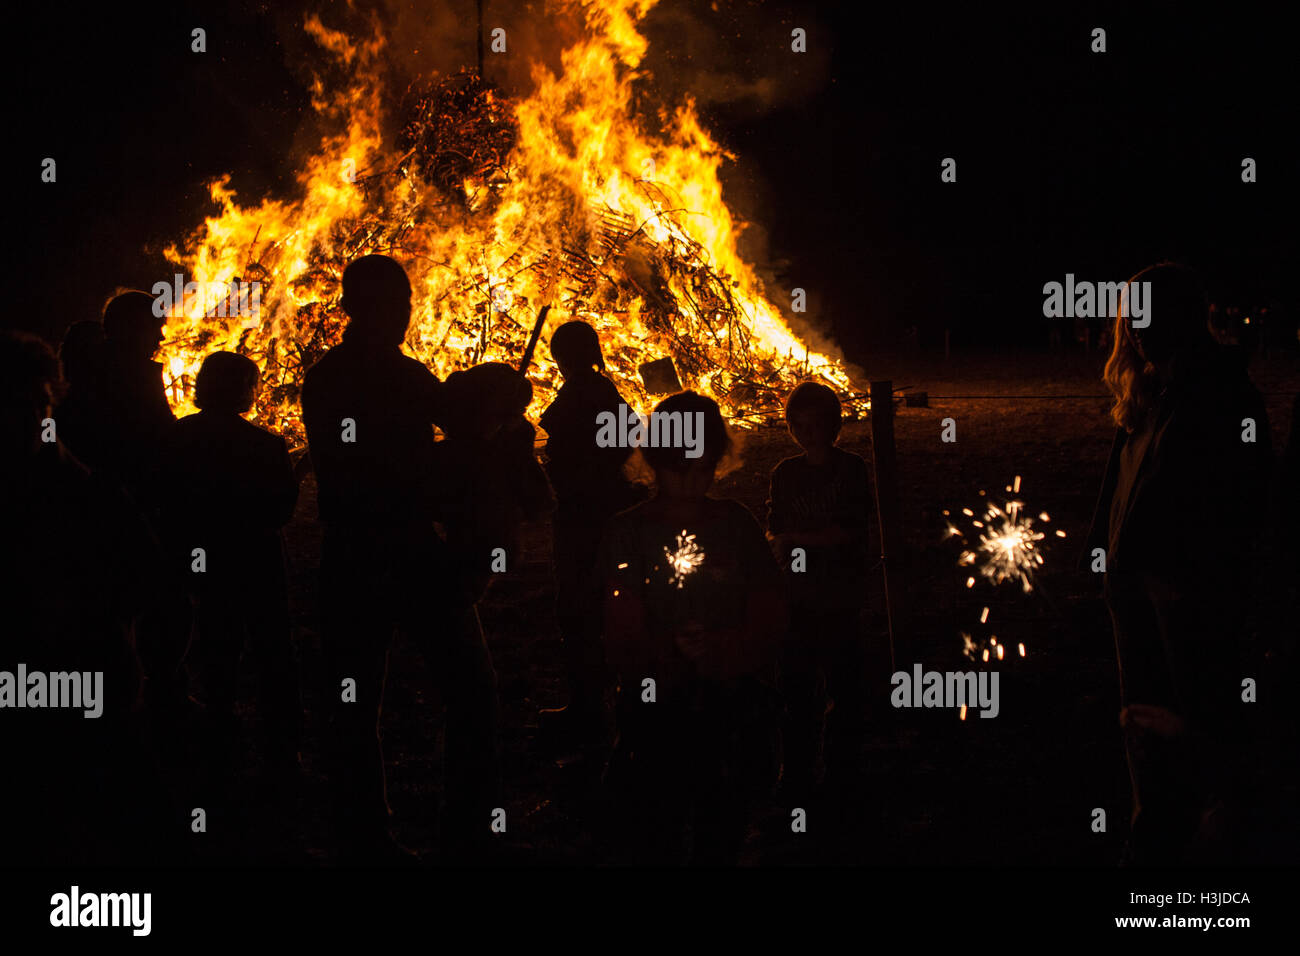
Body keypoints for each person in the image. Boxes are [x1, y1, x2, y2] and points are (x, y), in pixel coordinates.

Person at [301, 253, 499, 862]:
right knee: (472, 692)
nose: (407, 313)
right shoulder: (398, 378)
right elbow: (446, 440)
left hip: (352, 554)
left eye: (407, 302)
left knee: (354, 699)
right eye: (400, 302)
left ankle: (364, 832)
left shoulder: (327, 376)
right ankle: (461, 830)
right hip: (404, 550)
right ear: (366, 308)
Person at [1086, 262, 1274, 864]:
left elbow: (1245, 502)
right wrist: (1104, 558)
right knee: (1142, 727)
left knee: (1199, 723)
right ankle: (1153, 847)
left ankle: (1209, 857)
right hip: (1136, 592)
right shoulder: (1147, 394)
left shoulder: (1224, 395)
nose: (1138, 331)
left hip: (1188, 595)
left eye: (1151, 316)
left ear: (1185, 317)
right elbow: (1119, 490)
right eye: (1132, 319)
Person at [0, 330, 176, 865]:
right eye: (16, 406)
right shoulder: (78, 488)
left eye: (36, 405)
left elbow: (147, 579)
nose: (26, 419)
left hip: (89, 685)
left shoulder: (89, 491)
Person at [599, 391, 786, 863]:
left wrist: (726, 647)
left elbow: (767, 606)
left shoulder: (736, 525)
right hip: (654, 700)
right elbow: (615, 614)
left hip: (730, 699)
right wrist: (663, 651)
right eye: (676, 470)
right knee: (655, 813)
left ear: (718, 462)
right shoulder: (628, 531)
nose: (688, 484)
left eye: (700, 471)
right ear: (654, 461)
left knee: (722, 813)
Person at [158, 351, 300, 796]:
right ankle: (281, 752)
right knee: (273, 653)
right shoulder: (265, 444)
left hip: (206, 559)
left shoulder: (177, 436)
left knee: (218, 649)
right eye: (251, 383)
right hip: (256, 561)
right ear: (242, 389)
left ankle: (219, 743)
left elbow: (168, 501)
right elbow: (279, 510)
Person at [537, 322, 641, 754]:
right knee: (597, 609)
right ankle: (601, 704)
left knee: (583, 610)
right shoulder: (599, 390)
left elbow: (610, 437)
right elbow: (628, 433)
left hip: (587, 516)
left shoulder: (586, 393)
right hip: (598, 509)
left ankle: (593, 708)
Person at [766, 381, 873, 803]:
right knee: (795, 690)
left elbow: (848, 532)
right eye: (800, 426)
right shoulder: (785, 473)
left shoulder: (851, 469)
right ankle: (795, 775)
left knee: (844, 689)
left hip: (840, 596)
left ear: (833, 426)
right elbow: (778, 534)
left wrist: (800, 541)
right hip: (800, 598)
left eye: (817, 425)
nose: (808, 434)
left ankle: (841, 773)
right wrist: (795, 549)